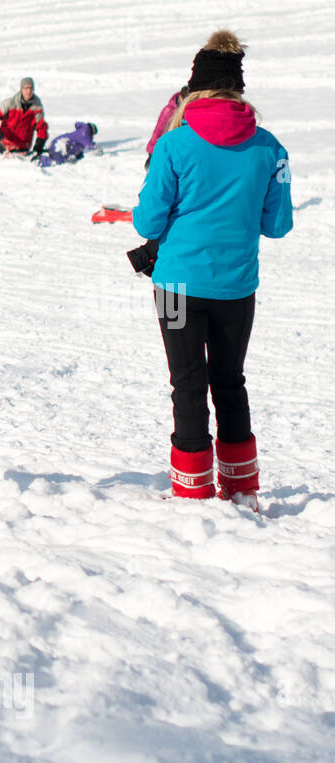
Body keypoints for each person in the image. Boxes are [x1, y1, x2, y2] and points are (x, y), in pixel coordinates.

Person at [133, 30, 292, 510]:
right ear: (237, 90)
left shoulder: (174, 145)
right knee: (229, 380)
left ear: (195, 89)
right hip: (237, 289)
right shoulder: (271, 149)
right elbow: (278, 224)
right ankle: (242, 489)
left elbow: (147, 220)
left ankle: (193, 490)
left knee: (188, 380)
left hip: (178, 286)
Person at [0, 77, 48, 158]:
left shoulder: (37, 107)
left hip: (24, 149)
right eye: (26, 88)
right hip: (6, 147)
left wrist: (39, 144)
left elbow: (42, 128)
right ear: (21, 89)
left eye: (31, 88)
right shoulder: (10, 103)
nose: (29, 91)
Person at [146, 86, 188, 169]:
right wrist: (151, 153)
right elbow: (158, 131)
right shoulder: (169, 111)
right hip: (168, 150)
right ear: (181, 98)